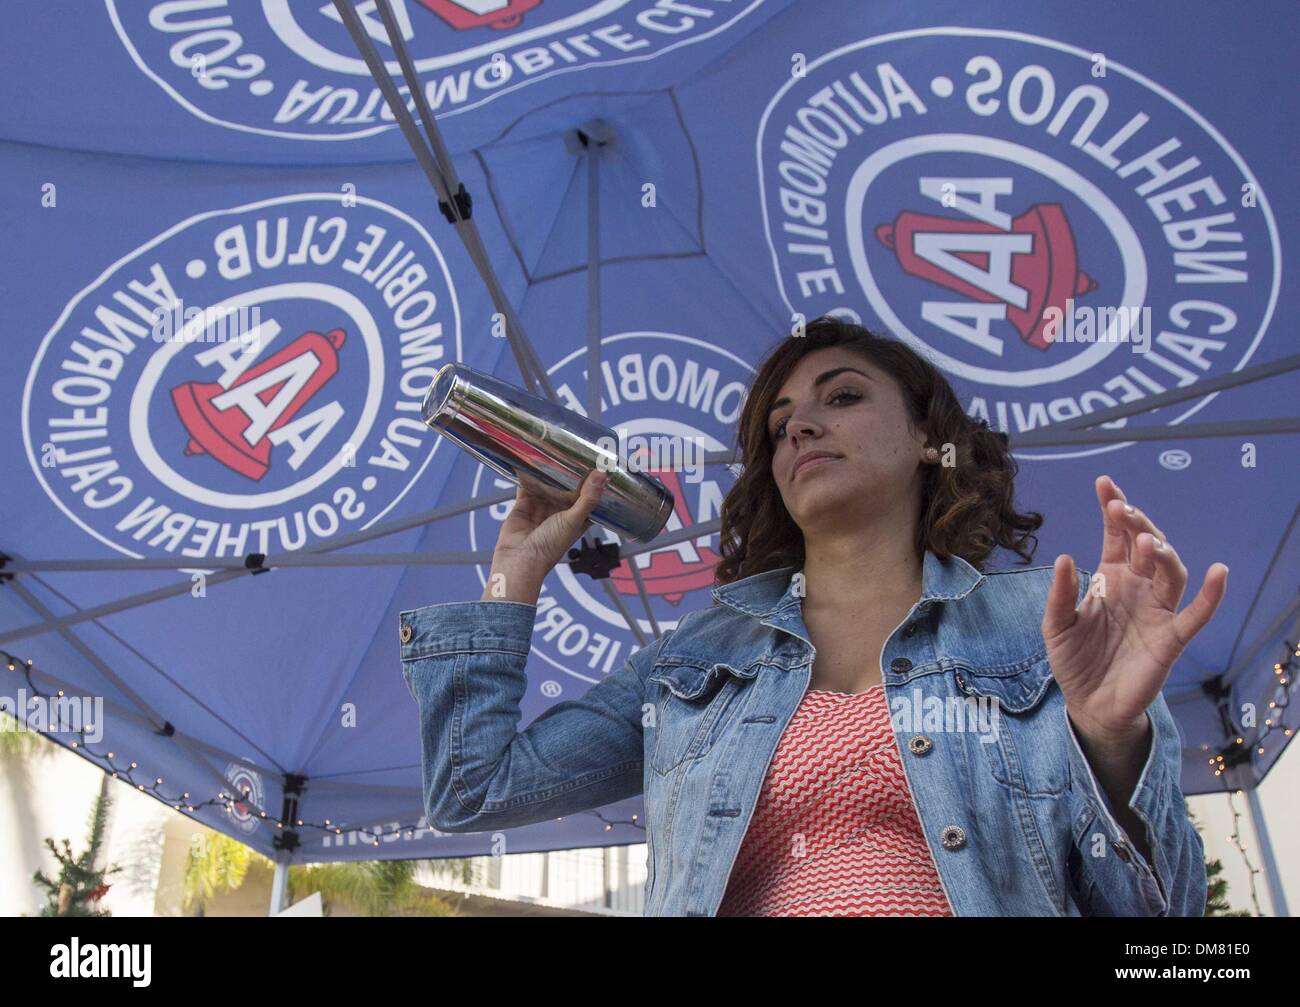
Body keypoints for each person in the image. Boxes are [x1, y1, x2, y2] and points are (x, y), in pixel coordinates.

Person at [399, 315, 1227, 916]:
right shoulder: (698, 655)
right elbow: (473, 790)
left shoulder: (1042, 629)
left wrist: (1116, 745)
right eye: (781, 419)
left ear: (926, 438)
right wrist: (513, 573)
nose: (801, 422)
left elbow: (1170, 935)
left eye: (842, 395)